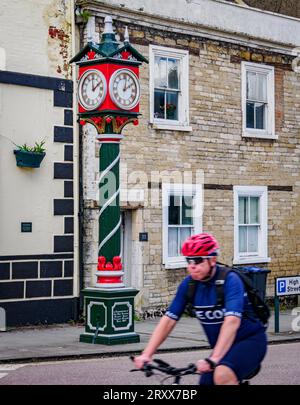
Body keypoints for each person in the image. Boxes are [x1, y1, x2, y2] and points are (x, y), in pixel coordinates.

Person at [133, 233, 267, 385]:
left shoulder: (230, 280)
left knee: (222, 375)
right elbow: (168, 320)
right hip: (222, 349)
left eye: (197, 260)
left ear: (213, 260)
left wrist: (214, 358)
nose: (192, 265)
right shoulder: (189, 285)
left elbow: (232, 321)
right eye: (188, 260)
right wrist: (147, 354)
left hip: (249, 341)